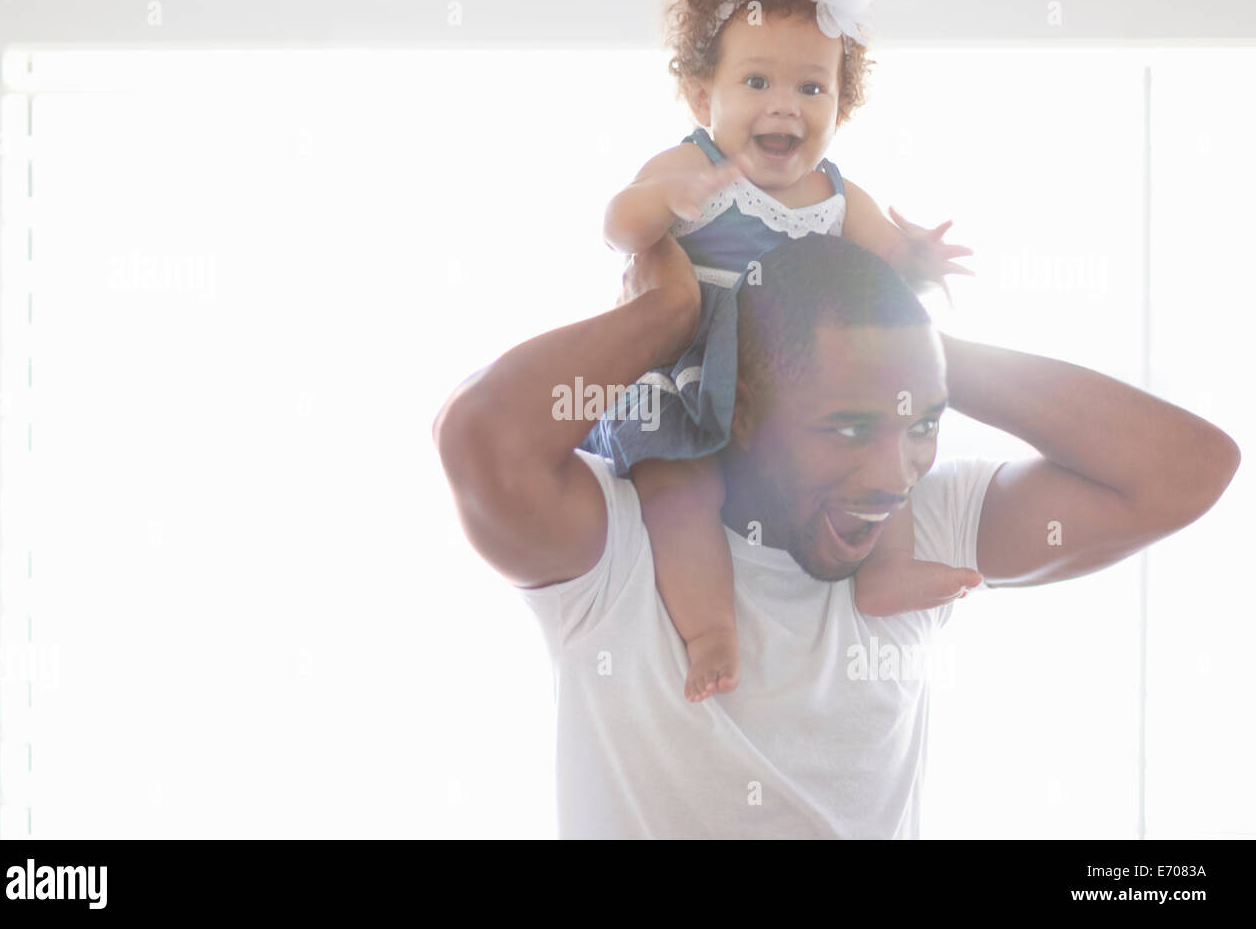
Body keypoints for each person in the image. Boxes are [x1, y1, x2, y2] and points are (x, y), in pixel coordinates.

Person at [432, 233, 1239, 839]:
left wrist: (911, 347)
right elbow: (481, 440)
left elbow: (1187, 469)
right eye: (850, 427)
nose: (894, 473)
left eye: (921, 425)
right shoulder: (621, 548)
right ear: (742, 409)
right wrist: (674, 314)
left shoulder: (924, 527)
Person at [588, 0, 975, 705]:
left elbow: (887, 272)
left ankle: (886, 572)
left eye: (811, 89)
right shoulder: (694, 169)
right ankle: (710, 630)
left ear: (841, 103)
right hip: (691, 378)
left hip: (793, 393)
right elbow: (618, 227)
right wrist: (663, 203)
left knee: (884, 447)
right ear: (705, 97)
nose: (783, 106)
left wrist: (917, 260)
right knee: (680, 489)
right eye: (757, 80)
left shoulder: (837, 195)